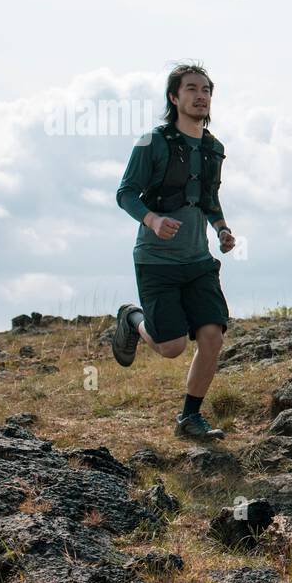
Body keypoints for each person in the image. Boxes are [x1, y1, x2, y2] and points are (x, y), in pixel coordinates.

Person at [110, 63, 235, 441]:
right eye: (192, 89)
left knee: (212, 335)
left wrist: (222, 229)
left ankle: (189, 418)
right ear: (174, 97)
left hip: (198, 260)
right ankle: (132, 319)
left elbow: (209, 198)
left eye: (207, 90)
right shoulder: (153, 142)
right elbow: (125, 193)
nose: (201, 96)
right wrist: (152, 220)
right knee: (171, 347)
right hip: (156, 259)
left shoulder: (213, 147)